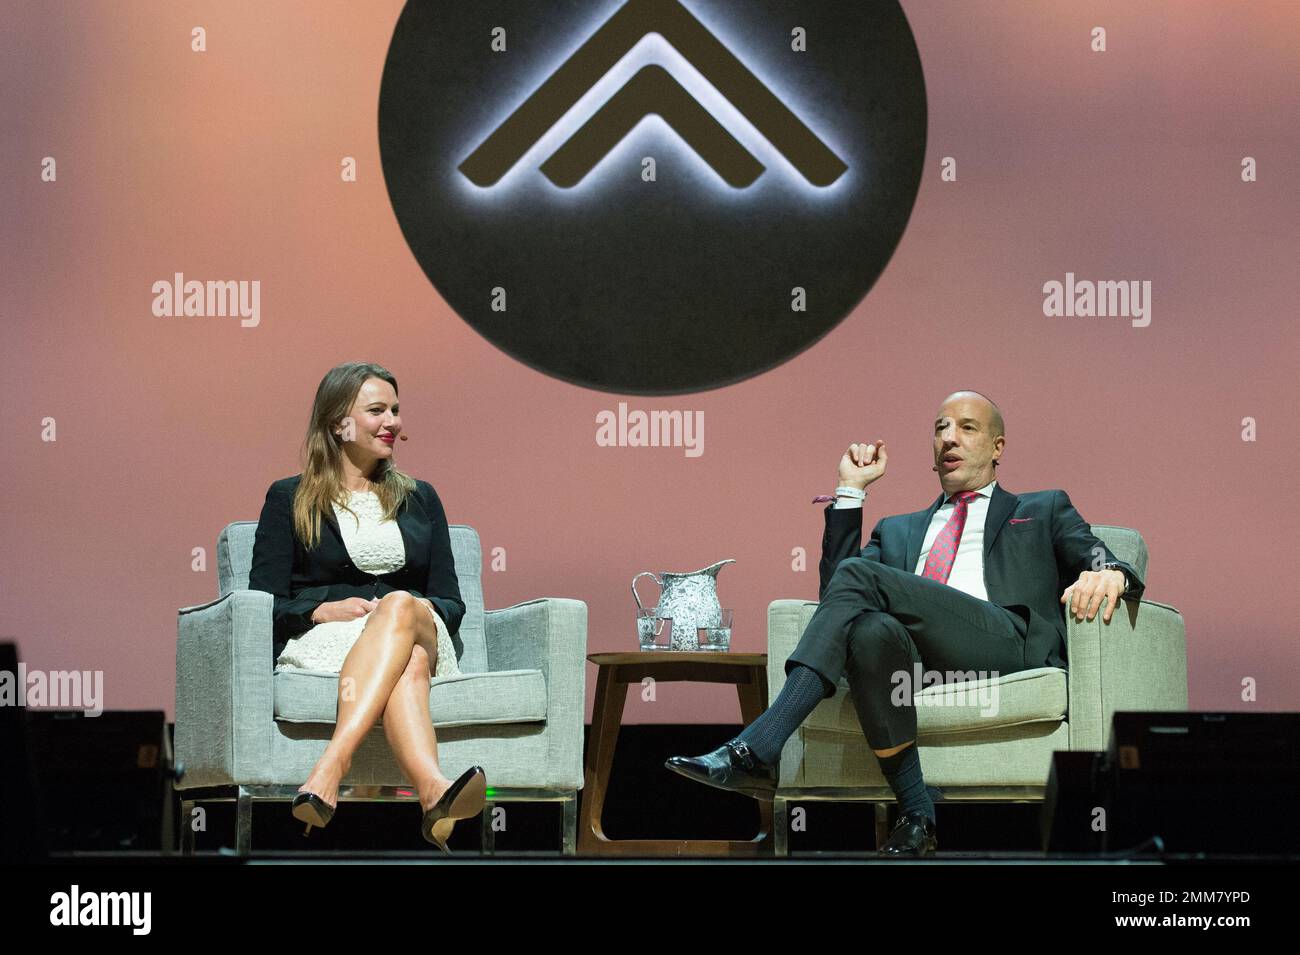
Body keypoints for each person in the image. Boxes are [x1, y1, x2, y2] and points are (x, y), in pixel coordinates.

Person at [665, 390, 1144, 856]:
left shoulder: (1042, 509)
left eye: (966, 428)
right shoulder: (896, 529)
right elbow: (838, 598)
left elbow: (1102, 556)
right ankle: (917, 813)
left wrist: (1112, 574)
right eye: (940, 430)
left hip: (1003, 644)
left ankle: (759, 746)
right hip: (913, 661)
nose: (948, 439)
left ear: (998, 447)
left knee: (862, 580)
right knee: (869, 632)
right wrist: (851, 493)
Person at [248, 361, 485, 852]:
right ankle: (434, 793)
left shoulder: (421, 499)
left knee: (400, 611)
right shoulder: (289, 498)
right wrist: (317, 611)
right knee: (408, 660)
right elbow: (262, 603)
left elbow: (451, 602)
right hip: (332, 642)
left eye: (396, 410)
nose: (393, 421)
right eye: (377, 410)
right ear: (339, 423)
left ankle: (331, 766)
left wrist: (400, 609)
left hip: (421, 627)